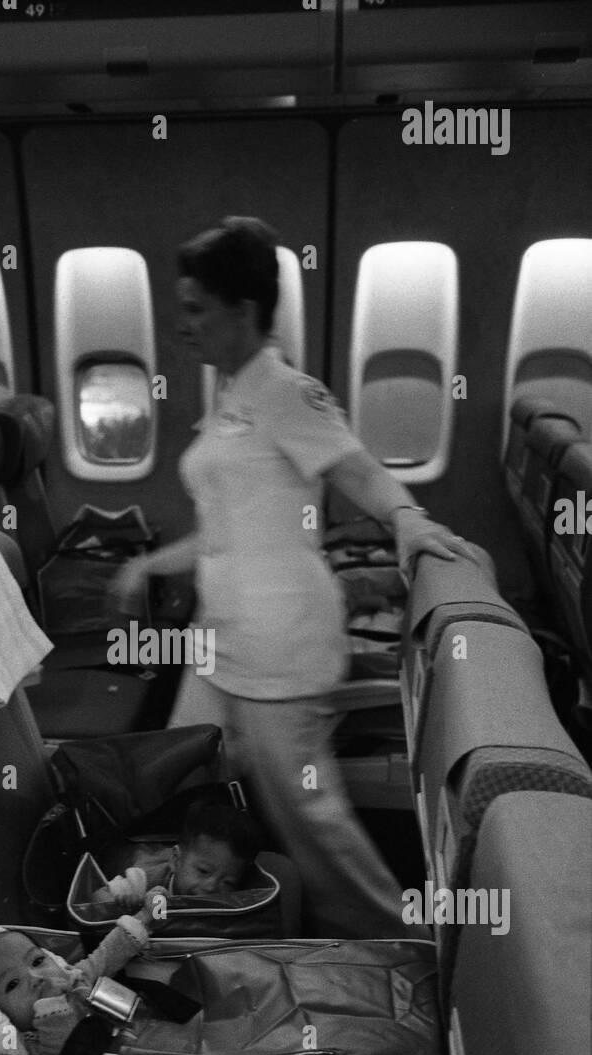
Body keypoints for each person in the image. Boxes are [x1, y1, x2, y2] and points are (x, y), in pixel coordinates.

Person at [112, 216, 480, 939]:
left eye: (195, 309)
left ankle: (400, 943)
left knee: (310, 820)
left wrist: (406, 521)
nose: (180, 326)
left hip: (281, 648)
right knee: (181, 784)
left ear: (243, 313)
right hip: (220, 646)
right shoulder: (228, 402)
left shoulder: (284, 392)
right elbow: (224, 530)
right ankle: (196, 923)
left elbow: (357, 468)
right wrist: (146, 563)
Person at [0, 890, 161, 1054]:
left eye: (38, 961)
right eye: (12, 984)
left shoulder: (75, 977)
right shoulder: (30, 1042)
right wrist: (53, 1007)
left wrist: (145, 915)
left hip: (151, 1028)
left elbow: (108, 953)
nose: (36, 978)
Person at [92, 798, 264, 908]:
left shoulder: (225, 900)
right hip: (133, 856)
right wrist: (122, 902)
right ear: (175, 860)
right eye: (203, 871)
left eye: (228, 882)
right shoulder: (147, 880)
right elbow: (97, 897)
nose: (212, 887)